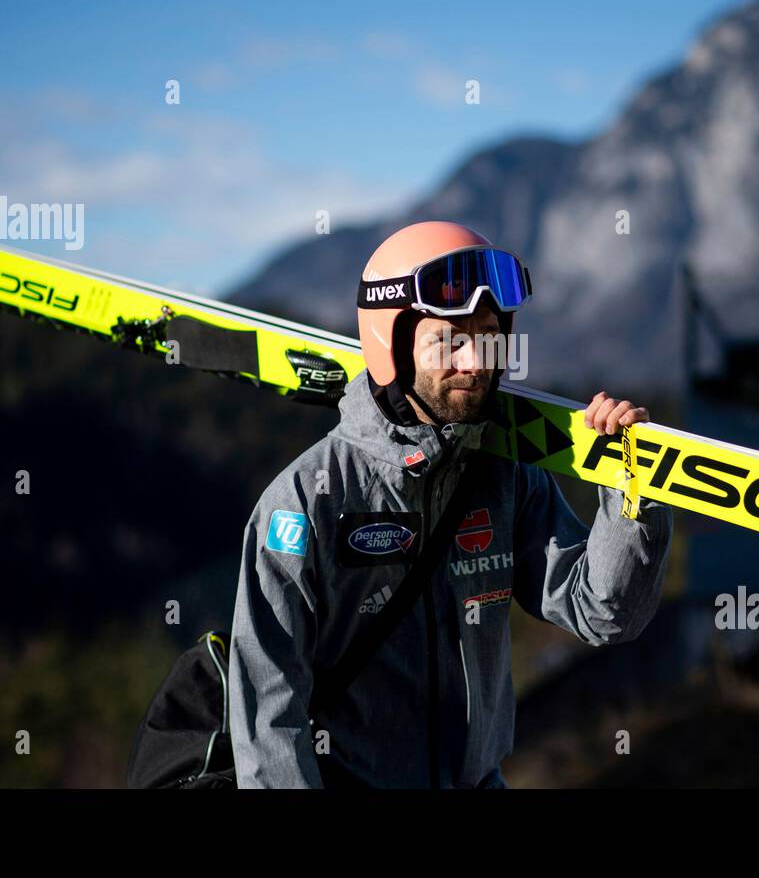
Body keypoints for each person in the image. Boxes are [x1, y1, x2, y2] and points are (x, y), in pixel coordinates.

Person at [228, 220, 673, 788]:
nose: (475, 362)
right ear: (391, 343)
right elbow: (269, 713)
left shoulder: (506, 475)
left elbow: (602, 612)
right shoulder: (304, 502)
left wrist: (630, 489)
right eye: (450, 339)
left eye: (489, 335)